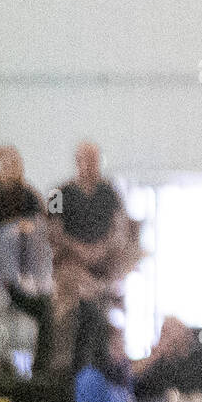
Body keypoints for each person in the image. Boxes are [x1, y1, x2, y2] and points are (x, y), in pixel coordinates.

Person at [48, 142, 136, 373]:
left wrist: (101, 250)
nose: (89, 165)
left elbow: (121, 229)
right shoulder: (58, 193)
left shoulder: (111, 193)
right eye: (85, 160)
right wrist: (77, 249)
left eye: (94, 160)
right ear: (77, 162)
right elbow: (52, 231)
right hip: (69, 271)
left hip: (104, 271)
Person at [0, 145, 50, 290]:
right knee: (10, 235)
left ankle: (38, 282)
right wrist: (15, 226)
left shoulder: (29, 193)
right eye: (4, 163)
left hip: (22, 242)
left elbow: (40, 218)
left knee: (37, 230)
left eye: (13, 163)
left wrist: (30, 225)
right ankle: (11, 285)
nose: (9, 167)